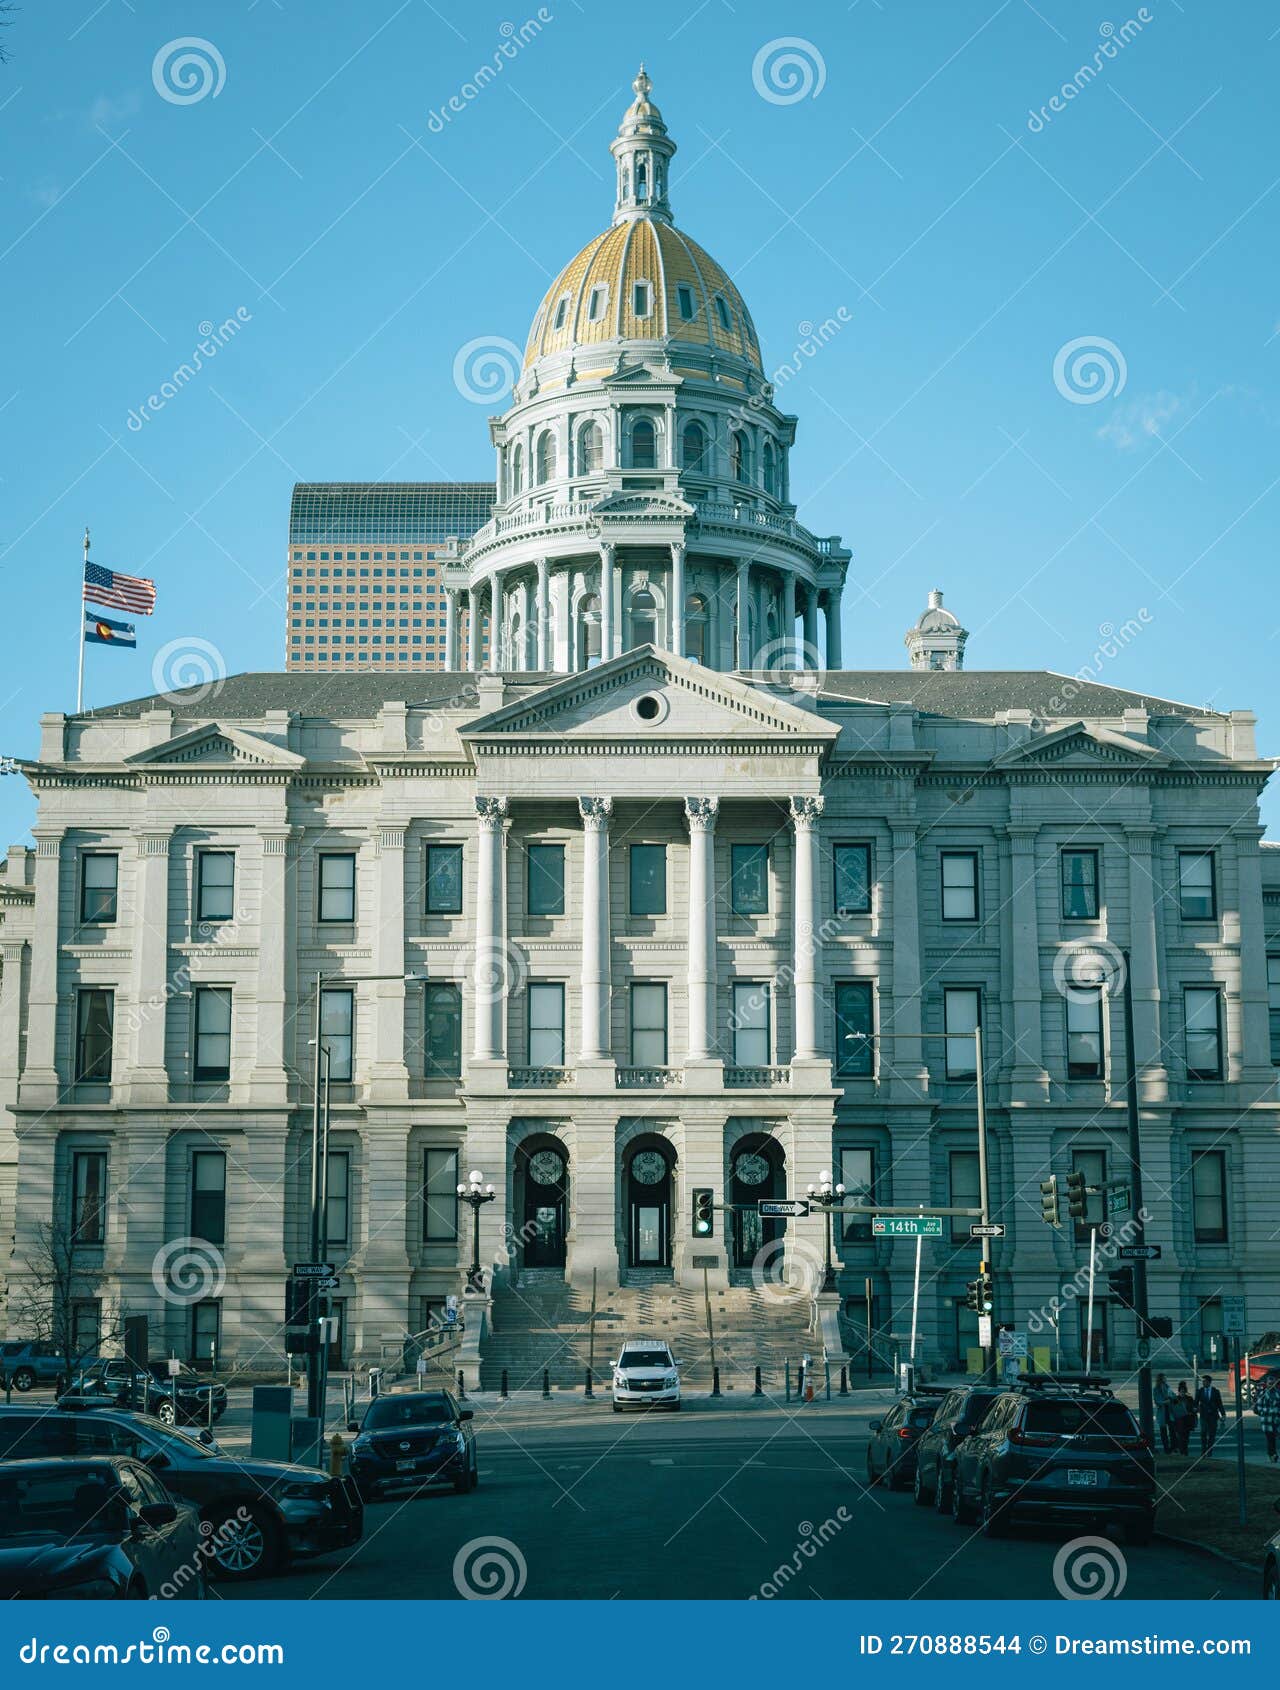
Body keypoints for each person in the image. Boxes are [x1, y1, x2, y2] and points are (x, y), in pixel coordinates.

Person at [1197, 1373, 1225, 1454]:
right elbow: (1196, 1402)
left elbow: (1219, 1403)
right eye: (1202, 1381)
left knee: (1212, 1434)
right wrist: (1195, 1408)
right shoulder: (1200, 1391)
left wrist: (1223, 1414)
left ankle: (1209, 1450)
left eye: (1205, 1381)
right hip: (1203, 1415)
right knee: (1203, 1432)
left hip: (1213, 1415)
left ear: (1209, 1382)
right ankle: (1203, 1449)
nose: (1203, 1383)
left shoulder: (1215, 1391)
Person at [1257, 1375, 1280, 1464]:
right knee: (1270, 1439)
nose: (1271, 1385)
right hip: (1267, 1421)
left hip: (1277, 1420)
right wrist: (1270, 1410)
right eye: (1270, 1383)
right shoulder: (1262, 1394)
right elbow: (1259, 1408)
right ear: (1266, 1384)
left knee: (1275, 1437)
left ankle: (1272, 1453)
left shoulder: (1278, 1393)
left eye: (1273, 1383)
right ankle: (1272, 1454)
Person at [1171, 1380, 1196, 1455]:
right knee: (1181, 1437)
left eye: (1183, 1392)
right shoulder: (1176, 1399)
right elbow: (1173, 1409)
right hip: (1179, 1421)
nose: (1182, 1393)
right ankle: (1183, 1452)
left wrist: (1192, 1411)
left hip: (1187, 1420)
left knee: (1186, 1437)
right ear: (1179, 1392)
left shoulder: (1189, 1399)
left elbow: (1192, 1408)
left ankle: (1185, 1451)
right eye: (1181, 1392)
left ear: (1185, 1392)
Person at [1153, 1373, 1175, 1455]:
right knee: (1163, 1431)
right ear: (1161, 1379)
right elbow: (1157, 1401)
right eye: (1164, 1378)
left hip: (1169, 1411)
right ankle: (1166, 1449)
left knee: (1172, 1429)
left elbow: (1173, 1395)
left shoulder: (1167, 1387)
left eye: (1166, 1378)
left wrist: (1172, 1398)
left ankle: (1173, 1447)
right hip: (1162, 1412)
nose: (1166, 1379)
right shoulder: (1156, 1389)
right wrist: (1166, 1402)